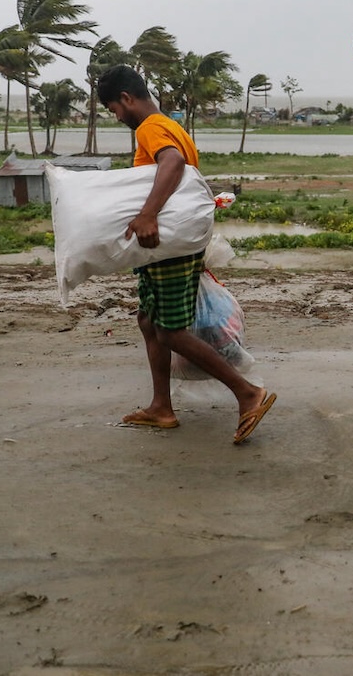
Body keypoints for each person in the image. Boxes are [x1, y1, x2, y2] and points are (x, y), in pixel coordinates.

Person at [97, 65, 276, 443]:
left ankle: (248, 393)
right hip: (167, 244)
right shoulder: (167, 124)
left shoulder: (150, 127)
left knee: (170, 330)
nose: (117, 116)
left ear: (127, 99)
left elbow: (173, 163)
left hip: (169, 244)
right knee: (149, 321)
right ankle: (161, 406)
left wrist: (147, 214)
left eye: (114, 109)